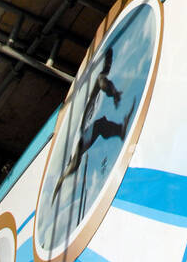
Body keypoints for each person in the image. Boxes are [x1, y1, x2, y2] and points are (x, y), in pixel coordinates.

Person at [51, 44, 133, 198]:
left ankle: (120, 130)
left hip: (84, 130)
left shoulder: (98, 81)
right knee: (100, 126)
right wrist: (114, 92)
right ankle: (120, 130)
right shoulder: (99, 78)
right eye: (108, 63)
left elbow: (104, 84)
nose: (109, 66)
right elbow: (103, 83)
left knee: (99, 126)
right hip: (83, 131)